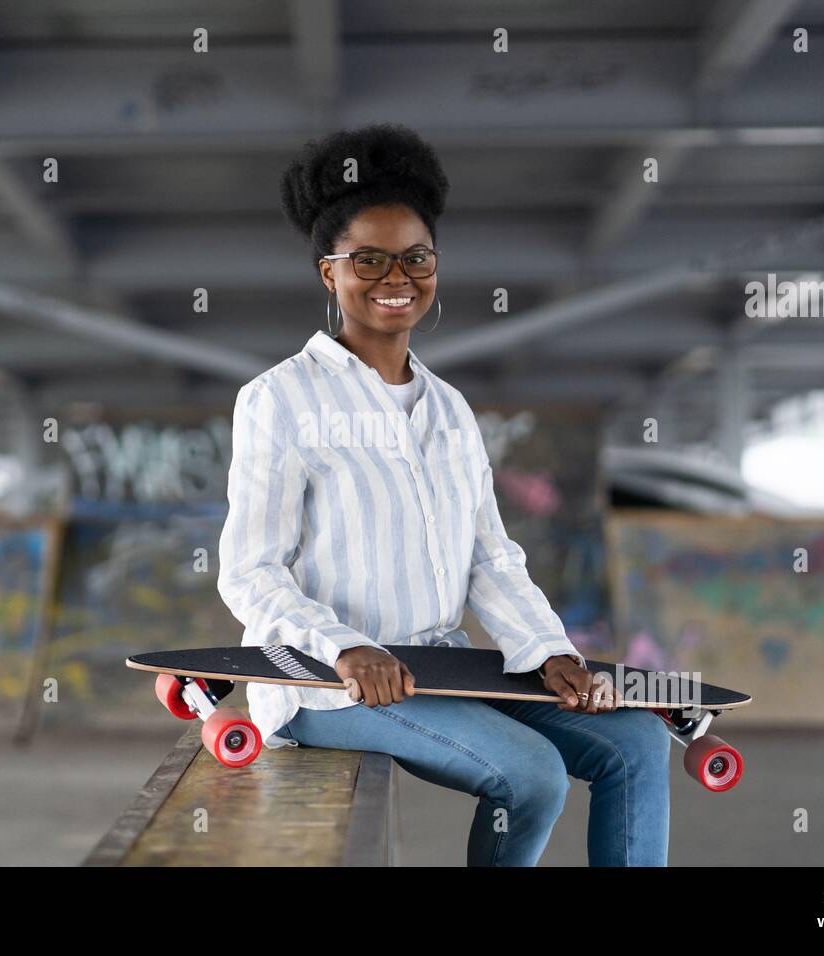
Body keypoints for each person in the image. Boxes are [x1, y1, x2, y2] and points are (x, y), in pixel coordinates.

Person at [217, 123, 669, 866]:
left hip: (443, 666)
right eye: (368, 259)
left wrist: (546, 649)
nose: (396, 276)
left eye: (415, 258)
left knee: (639, 742)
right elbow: (250, 572)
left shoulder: (449, 410)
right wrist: (347, 648)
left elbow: (491, 556)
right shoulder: (280, 400)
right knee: (531, 775)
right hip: (325, 687)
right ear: (328, 273)